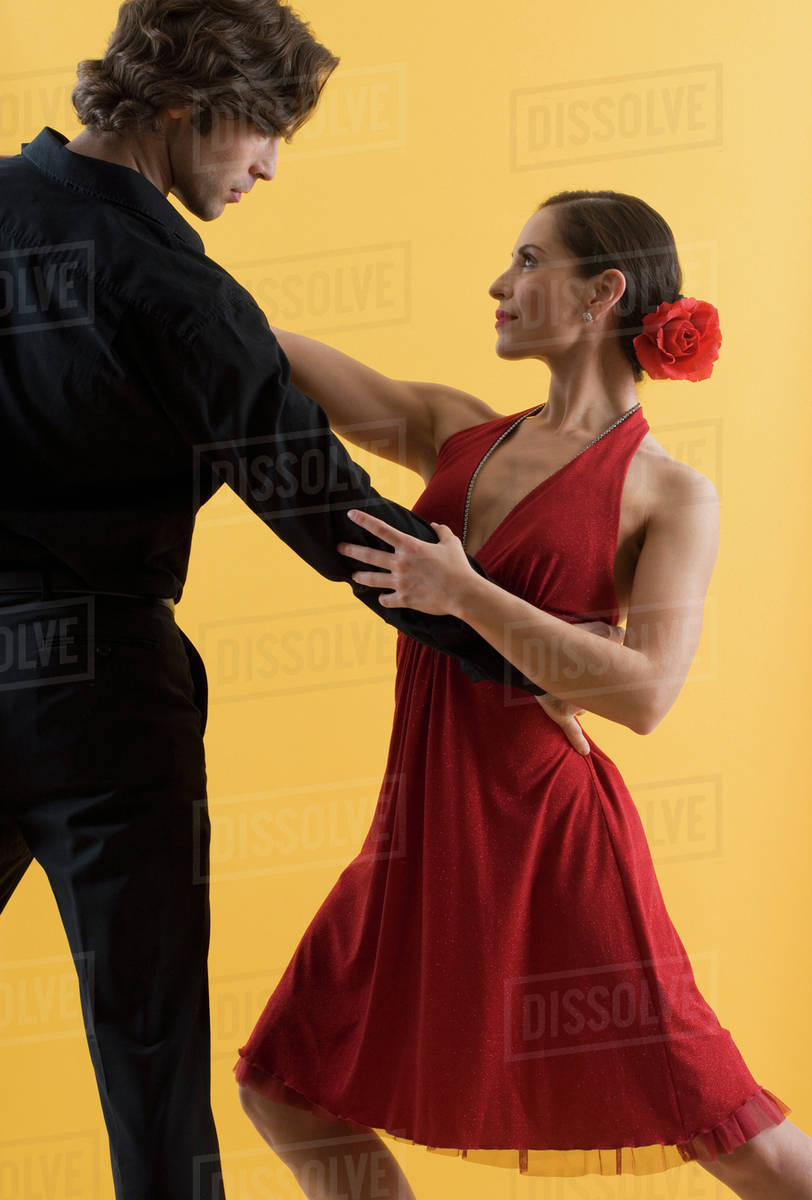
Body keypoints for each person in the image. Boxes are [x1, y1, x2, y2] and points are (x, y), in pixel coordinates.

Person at [0, 2, 601, 1198]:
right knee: (150, 1052)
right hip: (98, 702)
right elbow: (335, 523)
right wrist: (518, 657)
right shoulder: (181, 294)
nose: (270, 164)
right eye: (264, 129)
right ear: (188, 106)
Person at [234, 192, 812, 1200]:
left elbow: (646, 693)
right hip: (418, 830)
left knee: (735, 1134)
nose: (499, 285)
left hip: (552, 840)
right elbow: (266, 350)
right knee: (285, 1084)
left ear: (601, 292)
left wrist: (462, 593)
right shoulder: (455, 430)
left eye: (529, 260)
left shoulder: (670, 492)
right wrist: (157, 269)